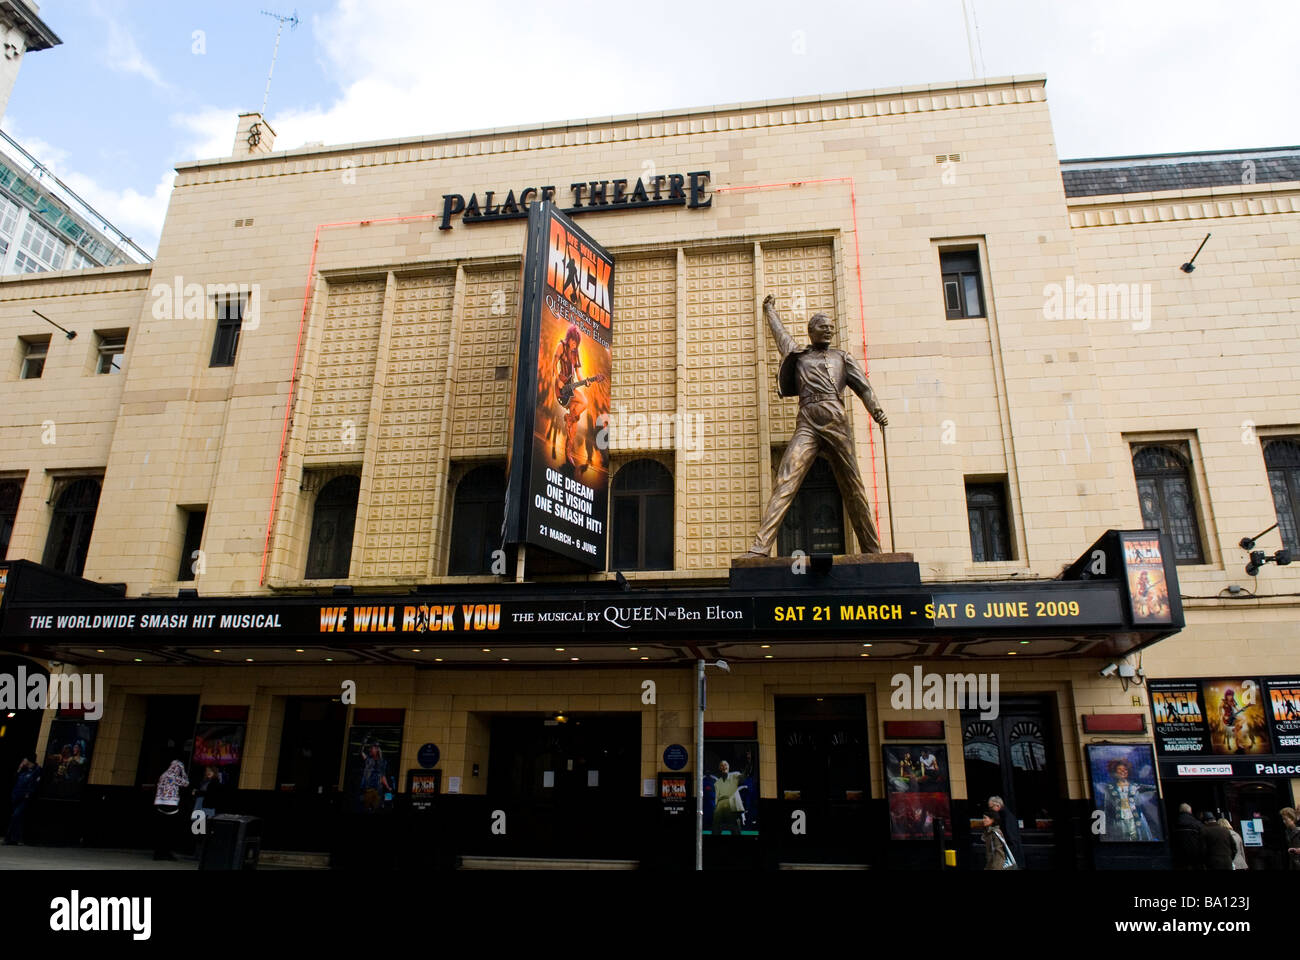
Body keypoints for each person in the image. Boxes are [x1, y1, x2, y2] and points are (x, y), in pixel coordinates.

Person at [746, 294, 888, 557]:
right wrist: (769, 310)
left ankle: (872, 550)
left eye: (831, 327)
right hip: (807, 420)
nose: (829, 330)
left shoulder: (842, 357)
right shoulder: (798, 355)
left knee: (852, 484)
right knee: (786, 477)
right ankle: (760, 548)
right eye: (823, 327)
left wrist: (876, 409)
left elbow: (864, 387)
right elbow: (780, 335)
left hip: (835, 418)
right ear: (811, 331)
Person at [550, 324, 605, 478]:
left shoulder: (576, 353)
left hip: (571, 388)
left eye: (576, 343)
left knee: (575, 421)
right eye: (573, 342)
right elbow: (554, 364)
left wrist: (587, 381)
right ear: (569, 338)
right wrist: (558, 380)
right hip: (561, 387)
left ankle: (569, 452)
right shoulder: (561, 346)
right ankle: (570, 419)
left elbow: (579, 375)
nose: (574, 345)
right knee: (584, 404)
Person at [1099, 759, 1157, 841]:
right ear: (1114, 772)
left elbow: (1154, 787)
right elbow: (1107, 806)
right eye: (1120, 769)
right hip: (1118, 821)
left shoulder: (1135, 786)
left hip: (1135, 820)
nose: (1123, 771)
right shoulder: (1109, 788)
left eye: (1125, 769)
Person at [153, 759, 189, 860]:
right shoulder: (174, 777)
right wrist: (184, 772)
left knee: (161, 830)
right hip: (171, 806)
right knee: (170, 831)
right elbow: (186, 783)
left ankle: (158, 853)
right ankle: (167, 852)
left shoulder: (163, 775)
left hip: (160, 804)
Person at [709, 755, 751, 835]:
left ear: (728, 767)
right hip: (720, 809)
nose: (724, 766)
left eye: (725, 765)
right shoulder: (717, 783)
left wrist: (748, 764)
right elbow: (716, 798)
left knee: (736, 831)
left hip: (733, 809)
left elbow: (744, 775)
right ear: (719, 768)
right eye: (721, 765)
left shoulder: (734, 775)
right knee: (715, 830)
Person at [4, 757, 41, 845]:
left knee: (15, 816)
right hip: (16, 796)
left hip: (24, 798)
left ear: (28, 761)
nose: (22, 762)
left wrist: (28, 794)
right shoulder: (24, 771)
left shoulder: (36, 771)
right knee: (18, 818)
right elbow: (15, 779)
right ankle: (17, 839)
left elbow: (35, 784)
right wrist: (19, 768)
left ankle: (8, 838)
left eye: (24, 760)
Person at [987, 796, 1023, 866]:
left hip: (1011, 859)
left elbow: (1012, 840)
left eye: (991, 808)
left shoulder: (1007, 818)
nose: (990, 810)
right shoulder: (1003, 816)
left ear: (998, 805)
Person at [1172, 802, 1205, 869]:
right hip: (1196, 856)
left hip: (1180, 856)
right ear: (1190, 811)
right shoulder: (1197, 823)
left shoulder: (1175, 823)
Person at [359, 742, 391, 812]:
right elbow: (361, 752)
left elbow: (383, 776)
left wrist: (387, 786)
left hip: (377, 790)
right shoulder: (368, 760)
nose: (370, 750)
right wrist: (363, 743)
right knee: (366, 808)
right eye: (370, 748)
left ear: (376, 750)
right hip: (367, 789)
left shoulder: (382, 762)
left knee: (374, 809)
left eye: (372, 748)